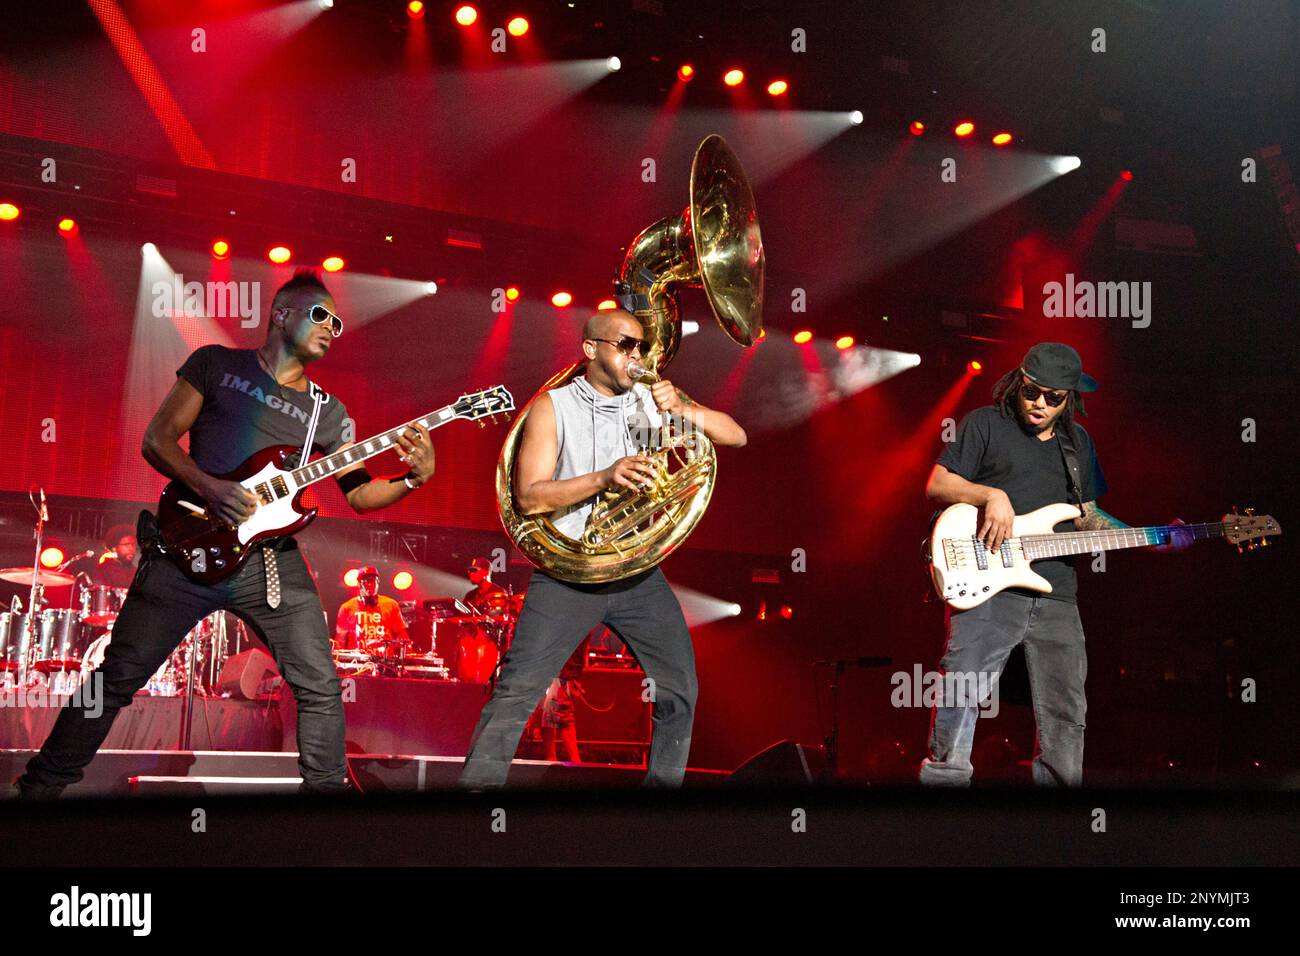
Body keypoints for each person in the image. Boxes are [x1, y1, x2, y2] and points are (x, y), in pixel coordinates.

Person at [14, 270, 436, 798]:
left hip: (269, 562)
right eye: (321, 315)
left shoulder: (329, 414)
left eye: (339, 322)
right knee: (117, 676)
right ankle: (39, 791)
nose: (333, 328)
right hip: (185, 546)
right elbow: (157, 440)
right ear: (282, 314)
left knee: (321, 683)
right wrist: (208, 487)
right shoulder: (216, 364)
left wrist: (412, 478)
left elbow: (360, 495)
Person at [458, 309, 747, 789]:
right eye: (625, 345)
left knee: (680, 690)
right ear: (591, 349)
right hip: (568, 573)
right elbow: (529, 496)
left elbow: (735, 435)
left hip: (636, 574)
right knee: (515, 694)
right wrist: (606, 477)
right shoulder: (554, 406)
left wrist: (685, 411)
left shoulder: (652, 402)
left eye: (640, 346)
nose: (637, 355)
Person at [919, 342, 1188, 787]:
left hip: (1057, 592)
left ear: (1070, 398)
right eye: (1031, 392)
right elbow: (938, 483)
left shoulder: (1077, 443)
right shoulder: (985, 424)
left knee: (1066, 709)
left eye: (1053, 397)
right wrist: (991, 495)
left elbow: (1086, 514)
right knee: (961, 691)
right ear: (1017, 383)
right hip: (988, 585)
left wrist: (1150, 539)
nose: (1040, 404)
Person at [334, 566, 410, 652]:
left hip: (385, 661)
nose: (369, 584)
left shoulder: (391, 604)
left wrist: (407, 657)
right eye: (365, 581)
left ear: (378, 582)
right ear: (358, 584)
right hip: (357, 662)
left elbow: (402, 637)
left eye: (373, 580)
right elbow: (340, 641)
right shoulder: (346, 607)